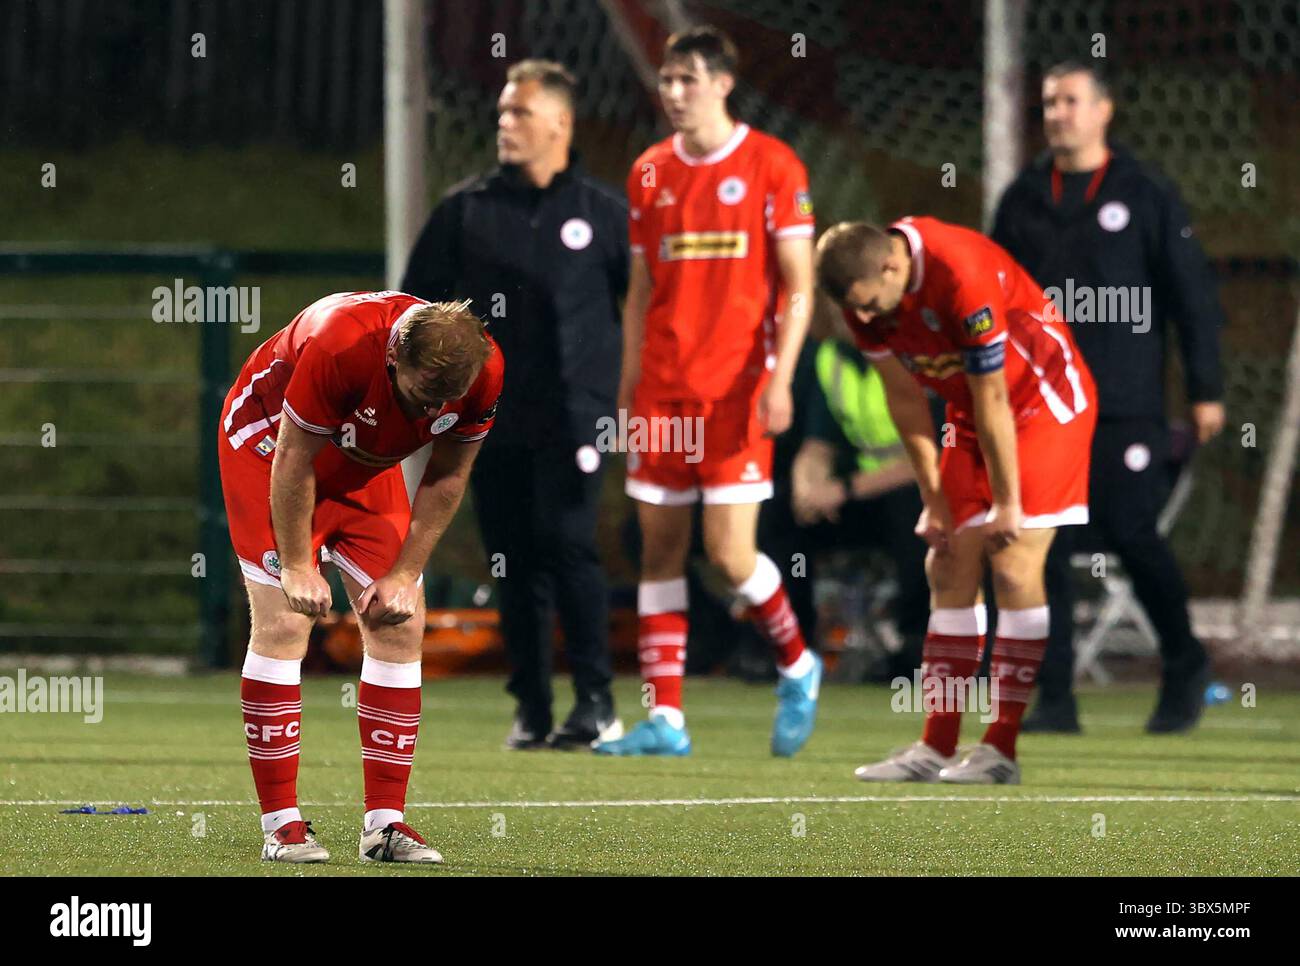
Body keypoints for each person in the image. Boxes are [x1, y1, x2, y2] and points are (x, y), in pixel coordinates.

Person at [592, 26, 821, 758]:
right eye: (667, 79)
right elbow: (639, 292)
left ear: (724, 83)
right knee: (657, 551)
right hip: (662, 390)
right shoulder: (649, 171)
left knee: (727, 554)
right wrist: (628, 388)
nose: (675, 93)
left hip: (735, 394)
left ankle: (798, 661)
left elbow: (800, 287)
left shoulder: (771, 165)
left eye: (689, 79)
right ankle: (666, 719)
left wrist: (781, 379)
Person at [220, 292, 502, 862]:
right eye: (426, 396)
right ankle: (281, 823)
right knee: (283, 624)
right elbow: (295, 461)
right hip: (269, 449)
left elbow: (448, 474)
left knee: (400, 624)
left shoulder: (484, 369)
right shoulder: (340, 343)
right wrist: (299, 566)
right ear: (395, 357)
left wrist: (407, 573)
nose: (433, 413)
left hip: (363, 466)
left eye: (447, 399)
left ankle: (385, 826)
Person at [815, 216, 1096, 784]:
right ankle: (936, 745)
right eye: (858, 310)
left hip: (1040, 403)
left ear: (894, 266)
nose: (867, 318)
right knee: (946, 559)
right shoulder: (861, 297)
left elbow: (994, 393)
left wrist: (1008, 502)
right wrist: (934, 499)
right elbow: (905, 399)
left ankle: (1000, 748)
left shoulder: (959, 273)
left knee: (1013, 564)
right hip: (970, 412)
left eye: (872, 303)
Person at [991, 60, 1226, 733]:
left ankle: (1184, 661)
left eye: (1069, 100)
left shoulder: (1145, 191)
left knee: (1132, 533)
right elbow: (997, 294)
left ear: (1103, 110)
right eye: (1047, 103)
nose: (1057, 113)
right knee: (1045, 548)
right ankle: (1056, 698)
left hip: (1125, 401)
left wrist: (1206, 390)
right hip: (1044, 404)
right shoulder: (1023, 197)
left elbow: (1192, 295)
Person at [401, 60, 627, 751]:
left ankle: (596, 703)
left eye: (519, 112)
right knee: (513, 557)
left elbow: (641, 307)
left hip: (575, 414)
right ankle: (531, 706)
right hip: (488, 418)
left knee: (569, 544)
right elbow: (412, 309)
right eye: (501, 112)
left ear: (560, 121)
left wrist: (628, 396)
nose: (504, 123)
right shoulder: (464, 211)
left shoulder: (603, 214)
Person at [765, 328, 930, 678]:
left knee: (914, 515)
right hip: (857, 498)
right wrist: (805, 484)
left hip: (913, 487)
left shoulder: (915, 352)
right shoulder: (831, 357)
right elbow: (818, 444)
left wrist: (844, 489)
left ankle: (913, 645)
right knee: (781, 516)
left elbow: (933, 457)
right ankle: (793, 649)